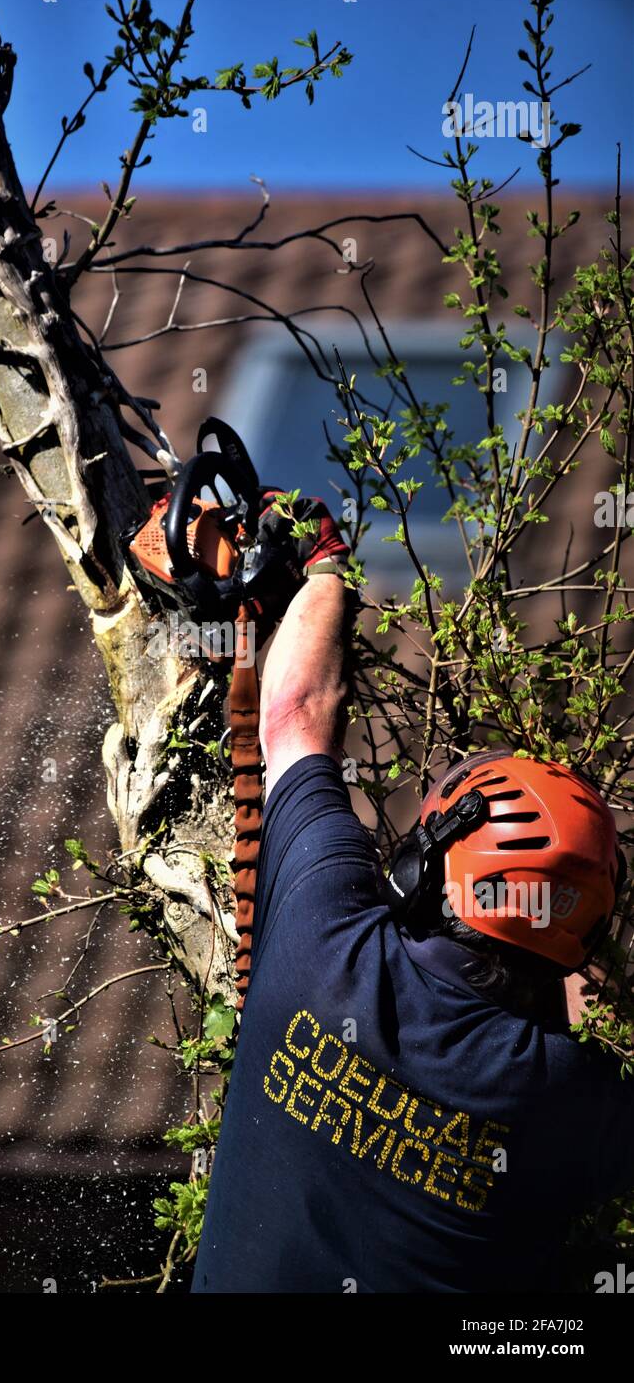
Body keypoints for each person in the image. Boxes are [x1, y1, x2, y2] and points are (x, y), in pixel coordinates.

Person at [191, 525, 633, 1294]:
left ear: (422, 866)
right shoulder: (577, 1104)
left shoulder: (322, 940)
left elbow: (292, 713)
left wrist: (324, 564)